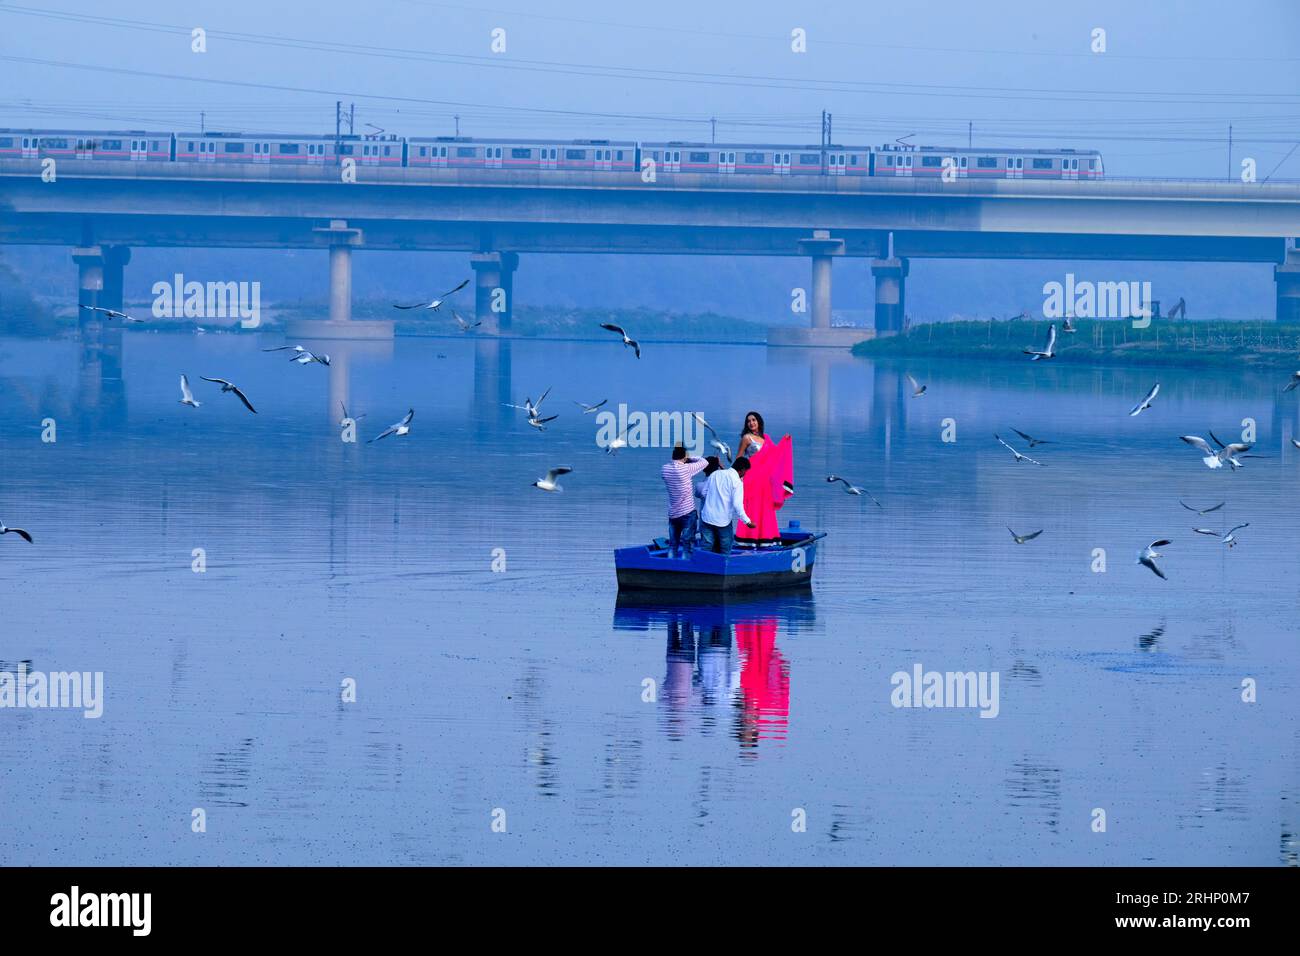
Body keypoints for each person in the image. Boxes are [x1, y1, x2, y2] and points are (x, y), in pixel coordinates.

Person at [733, 411, 794, 547]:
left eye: (754, 420)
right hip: (751, 479)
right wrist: (736, 475)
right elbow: (739, 457)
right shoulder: (746, 438)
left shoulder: (766, 438)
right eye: (749, 421)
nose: (751, 423)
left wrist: (785, 442)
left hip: (765, 482)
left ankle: (766, 538)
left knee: (766, 508)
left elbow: (776, 455)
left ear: (759, 422)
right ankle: (747, 539)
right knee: (751, 508)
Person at [661, 445, 709, 558]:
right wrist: (689, 458)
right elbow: (704, 461)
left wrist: (684, 459)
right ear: (684, 457)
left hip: (673, 514)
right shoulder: (686, 469)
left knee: (673, 545)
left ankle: (669, 567)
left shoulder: (665, 469)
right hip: (688, 513)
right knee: (687, 545)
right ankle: (685, 569)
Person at [700, 457, 755, 554]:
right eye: (745, 471)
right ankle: (723, 566)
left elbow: (703, 492)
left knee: (706, 546)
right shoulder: (737, 482)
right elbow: (737, 505)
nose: (745, 474)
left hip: (707, 517)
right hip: (723, 521)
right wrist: (747, 522)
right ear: (742, 469)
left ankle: (704, 567)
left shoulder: (715, 474)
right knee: (725, 548)